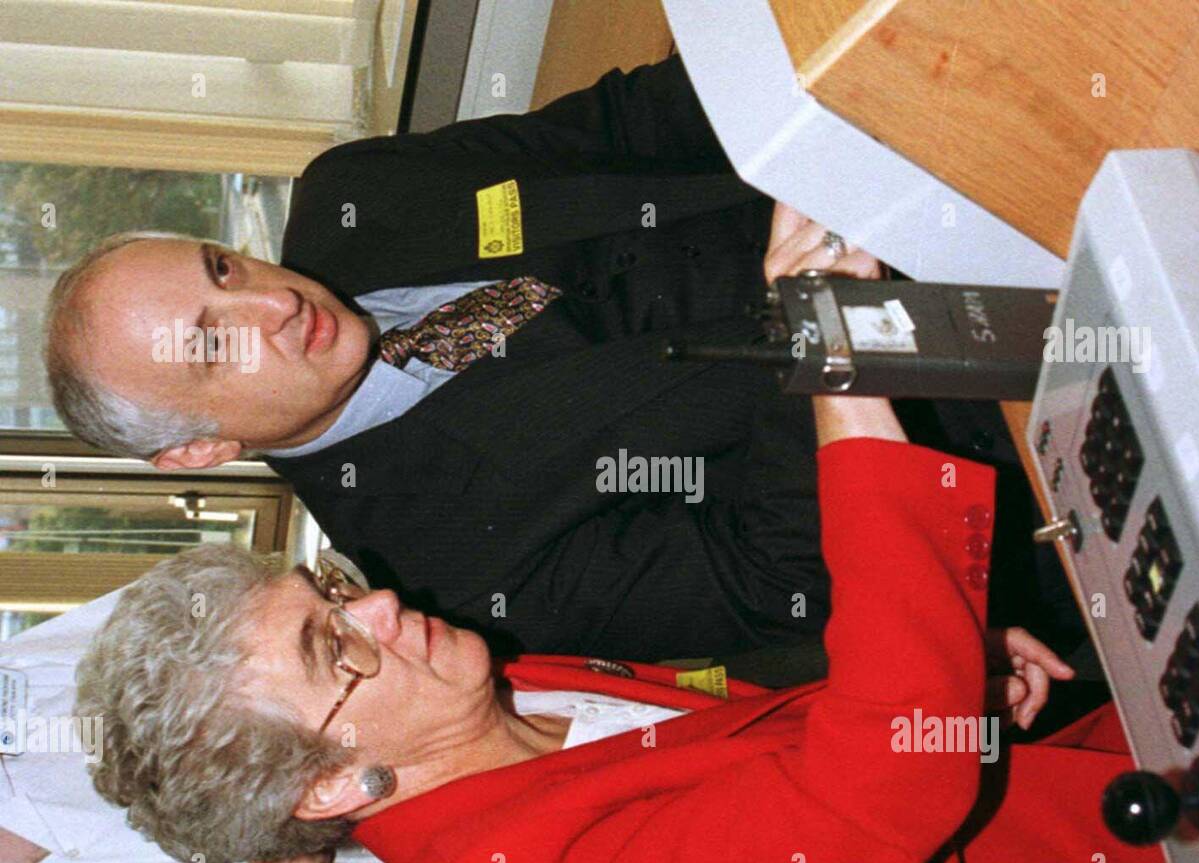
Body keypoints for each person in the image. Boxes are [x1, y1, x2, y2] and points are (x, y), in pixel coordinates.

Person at [75, 395, 1189, 863]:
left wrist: (945, 671)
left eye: (326, 591)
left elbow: (785, 763)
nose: (373, 605)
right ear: (325, 787)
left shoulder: (501, 688)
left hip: (1080, 805)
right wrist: (843, 385)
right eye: (334, 645)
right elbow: (869, 793)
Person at [42, 56, 882, 666]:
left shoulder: (352, 197)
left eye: (223, 268)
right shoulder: (447, 572)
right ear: (200, 450)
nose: (276, 304)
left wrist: (817, 74)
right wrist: (809, 324)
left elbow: (628, 124)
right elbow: (777, 574)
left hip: (869, 159)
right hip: (932, 389)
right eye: (213, 345)